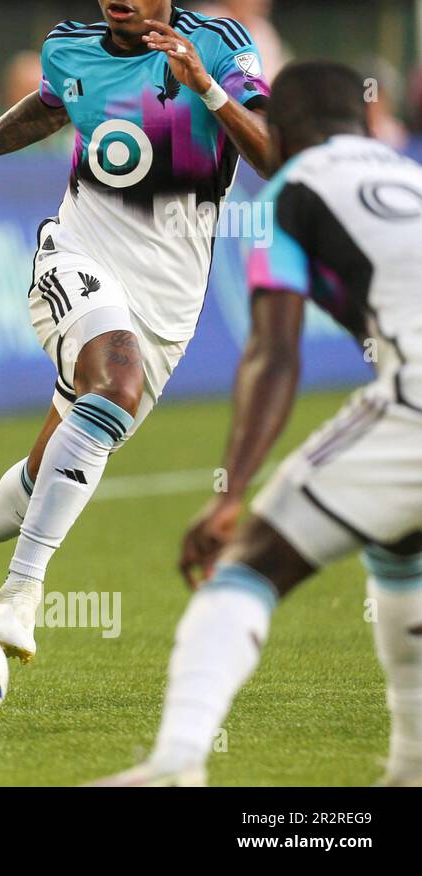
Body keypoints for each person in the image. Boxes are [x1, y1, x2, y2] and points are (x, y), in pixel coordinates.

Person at [0, 0, 273, 663]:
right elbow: (49, 104)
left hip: (168, 302)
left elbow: (276, 153)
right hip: (74, 256)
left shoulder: (223, 46)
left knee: (61, 456)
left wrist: (206, 88)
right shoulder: (69, 46)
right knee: (115, 376)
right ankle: (21, 593)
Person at [94, 62, 422, 787]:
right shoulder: (409, 177)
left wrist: (230, 490)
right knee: (402, 548)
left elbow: (275, 354)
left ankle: (178, 761)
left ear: (278, 130)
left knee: (248, 560)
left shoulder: (290, 194)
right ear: (364, 123)